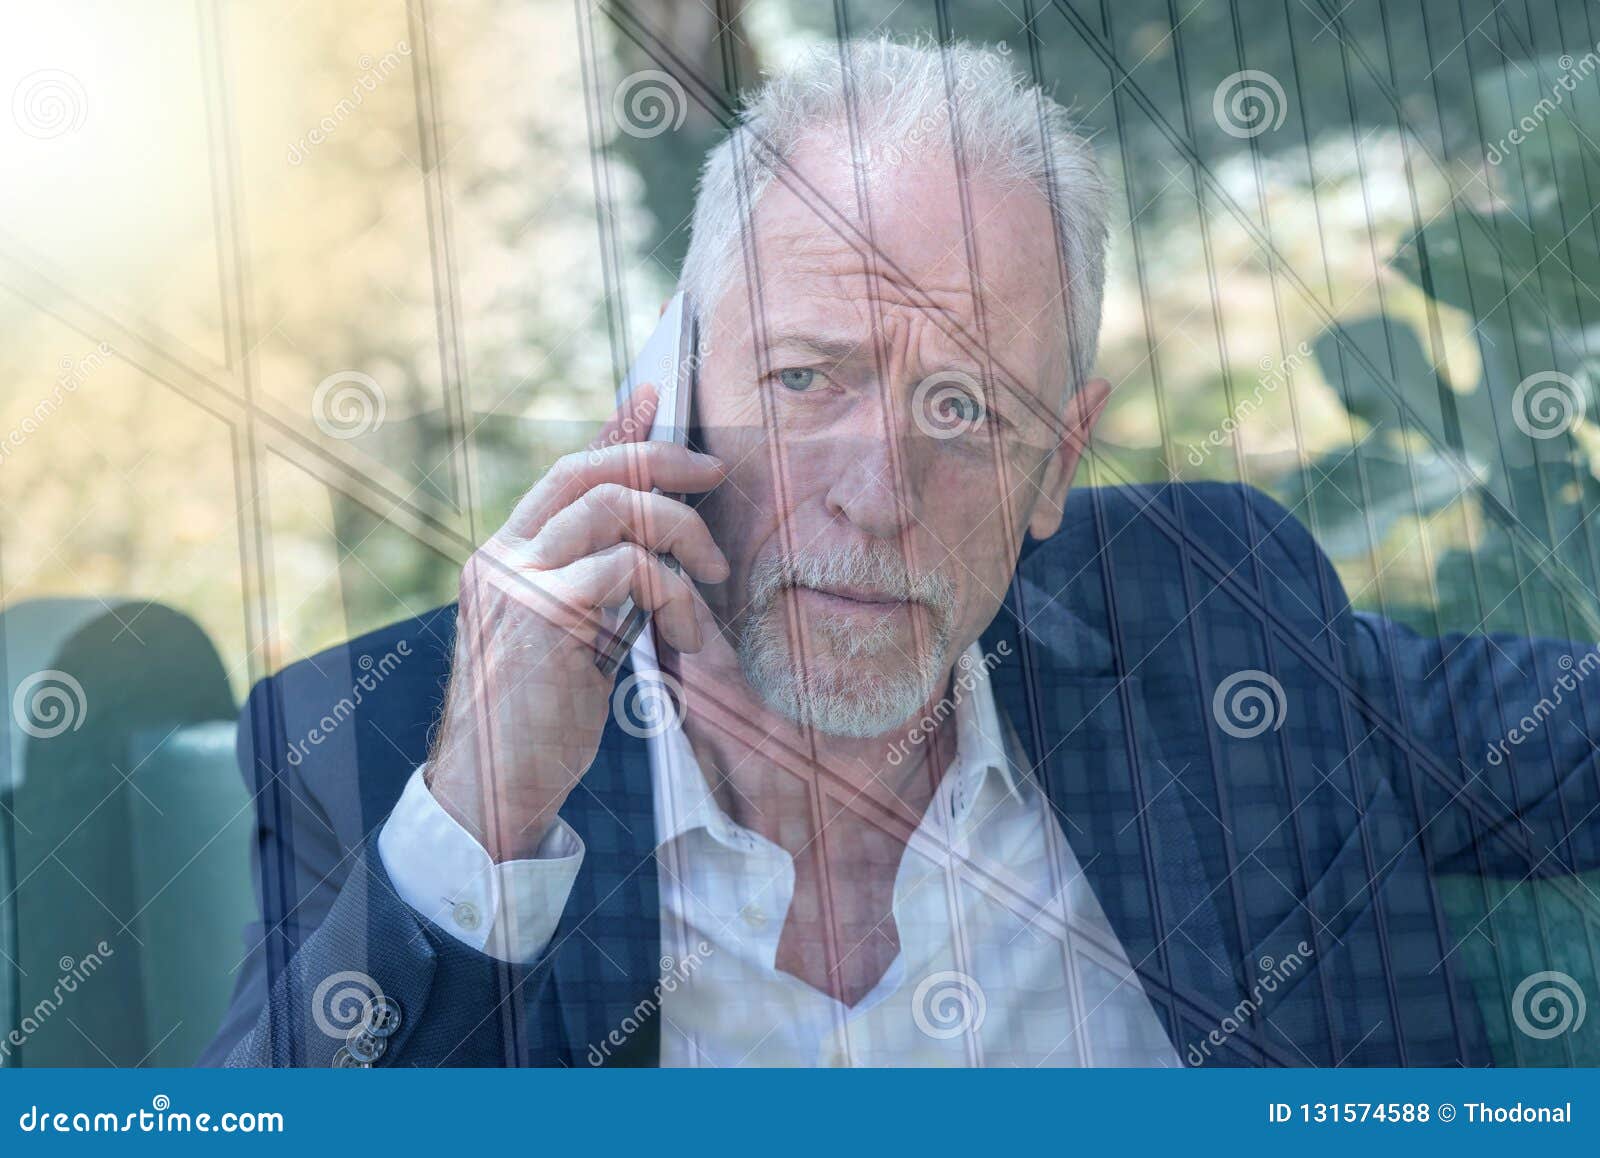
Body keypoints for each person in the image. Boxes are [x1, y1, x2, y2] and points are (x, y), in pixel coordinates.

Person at [205, 37, 1600, 1068]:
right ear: (674, 393)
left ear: (1060, 458)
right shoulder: (387, 749)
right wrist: (480, 820)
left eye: (967, 407)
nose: (879, 495)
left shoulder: (1211, 624)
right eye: (807, 380)